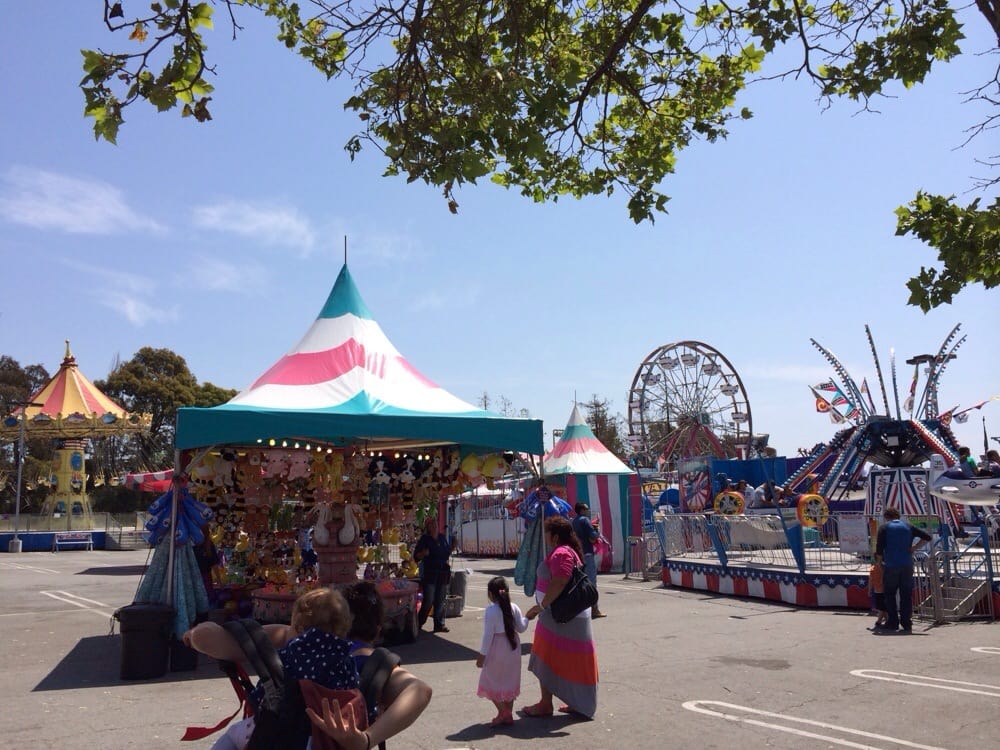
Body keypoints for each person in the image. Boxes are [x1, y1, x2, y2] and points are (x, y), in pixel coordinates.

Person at [183, 587, 358, 750]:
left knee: (232, 736)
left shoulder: (289, 653)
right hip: (319, 737)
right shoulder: (346, 661)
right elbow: (353, 692)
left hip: (275, 730)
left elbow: (267, 688)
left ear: (298, 628)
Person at [306, 580, 434, 750]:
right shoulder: (372, 663)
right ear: (378, 629)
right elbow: (421, 690)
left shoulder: (310, 649)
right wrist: (368, 739)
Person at [522, 515, 598, 719]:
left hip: (559, 615)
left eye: (547, 532)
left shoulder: (561, 553)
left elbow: (560, 580)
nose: (545, 536)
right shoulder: (569, 551)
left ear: (555, 536)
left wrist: (540, 606)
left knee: (544, 657)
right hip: (569, 615)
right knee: (572, 659)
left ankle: (545, 703)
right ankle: (577, 702)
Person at [476, 576, 529, 726]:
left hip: (497, 648)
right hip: (512, 647)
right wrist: (527, 618)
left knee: (489, 680)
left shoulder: (491, 611)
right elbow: (521, 628)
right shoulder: (514, 607)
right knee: (509, 681)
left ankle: (503, 712)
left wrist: (482, 656)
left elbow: (487, 636)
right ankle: (507, 714)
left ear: (491, 594)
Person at [874, 507, 932, 634]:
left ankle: (892, 622)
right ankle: (906, 623)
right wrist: (914, 547)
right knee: (906, 595)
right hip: (907, 565)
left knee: (890, 595)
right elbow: (927, 537)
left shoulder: (884, 528)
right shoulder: (908, 526)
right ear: (898, 516)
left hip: (891, 565)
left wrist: (879, 563)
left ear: (886, 517)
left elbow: (879, 548)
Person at [413, 516, 455, 633]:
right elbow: (416, 556)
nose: (435, 526)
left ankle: (439, 624)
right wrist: (423, 553)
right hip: (430, 573)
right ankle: (419, 622)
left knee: (440, 600)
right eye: (431, 524)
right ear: (428, 527)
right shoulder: (425, 539)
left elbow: (446, 554)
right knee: (429, 600)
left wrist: (452, 547)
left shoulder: (441, 538)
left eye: (435, 523)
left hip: (442, 573)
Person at [571, 502, 605, 618]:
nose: (588, 510)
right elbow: (593, 536)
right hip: (588, 554)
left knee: (580, 582)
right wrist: (597, 530)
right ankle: (594, 609)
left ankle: (582, 609)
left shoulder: (574, 521)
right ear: (581, 510)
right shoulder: (585, 520)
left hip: (578, 555)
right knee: (591, 582)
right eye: (586, 508)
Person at [868, 559, 887, 630]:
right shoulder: (883, 568)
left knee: (881, 607)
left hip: (879, 590)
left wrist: (869, 590)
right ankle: (885, 620)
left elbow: (870, 580)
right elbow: (871, 580)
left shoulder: (873, 568)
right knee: (882, 607)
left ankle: (879, 621)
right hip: (881, 590)